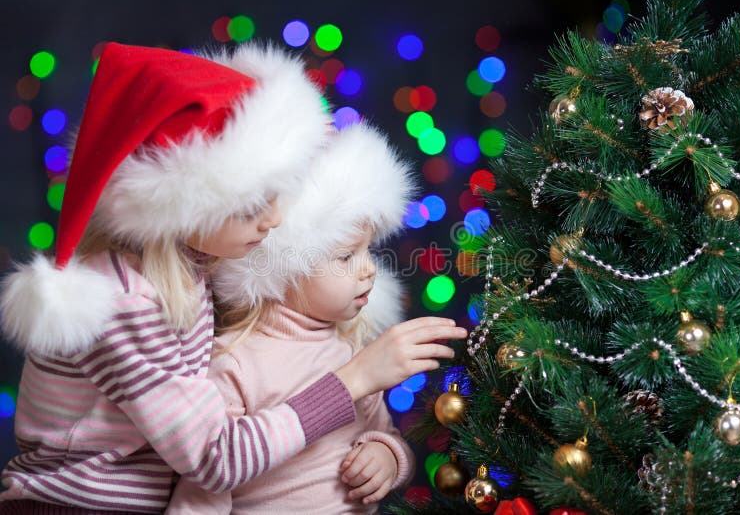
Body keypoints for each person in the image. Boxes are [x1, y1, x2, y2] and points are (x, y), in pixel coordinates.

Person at [0, 43, 465, 514]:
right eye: (249, 206)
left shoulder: (189, 274)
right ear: (183, 208)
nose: (275, 219)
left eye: (277, 194)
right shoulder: (125, 300)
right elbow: (214, 460)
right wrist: (356, 378)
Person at [168, 123, 425, 514]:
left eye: (368, 250)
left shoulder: (352, 351)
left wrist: (388, 456)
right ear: (281, 270)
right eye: (345, 256)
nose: (370, 269)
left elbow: (385, 434)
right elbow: (205, 486)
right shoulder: (236, 362)